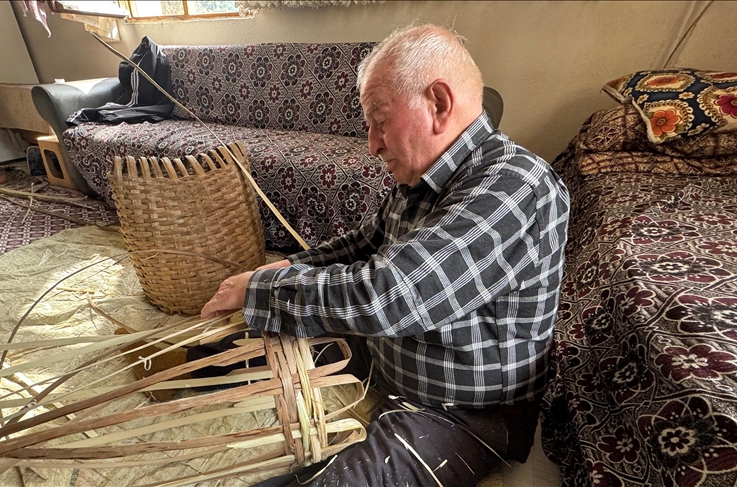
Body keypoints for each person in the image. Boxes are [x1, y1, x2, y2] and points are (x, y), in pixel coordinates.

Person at [200, 23, 570, 487]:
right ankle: (182, 370)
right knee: (250, 337)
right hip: (388, 357)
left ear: (438, 104)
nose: (373, 144)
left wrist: (261, 288)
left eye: (379, 120)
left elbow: (389, 294)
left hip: (463, 411)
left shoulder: (518, 185)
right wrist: (292, 267)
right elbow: (365, 244)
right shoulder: (426, 178)